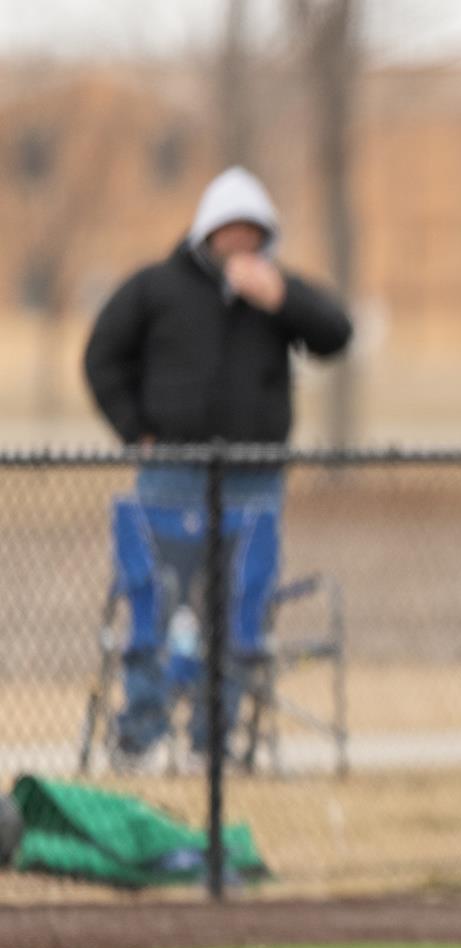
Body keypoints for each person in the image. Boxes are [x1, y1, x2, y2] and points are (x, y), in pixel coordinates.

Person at [83, 166, 353, 758]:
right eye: (230, 231)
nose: (241, 243)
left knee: (238, 610)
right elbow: (101, 357)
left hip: (254, 480)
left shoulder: (276, 293)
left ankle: (216, 738)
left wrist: (281, 298)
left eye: (252, 232)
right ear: (206, 232)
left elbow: (337, 334)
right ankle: (144, 731)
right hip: (173, 477)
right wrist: (137, 431)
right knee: (158, 601)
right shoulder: (156, 288)